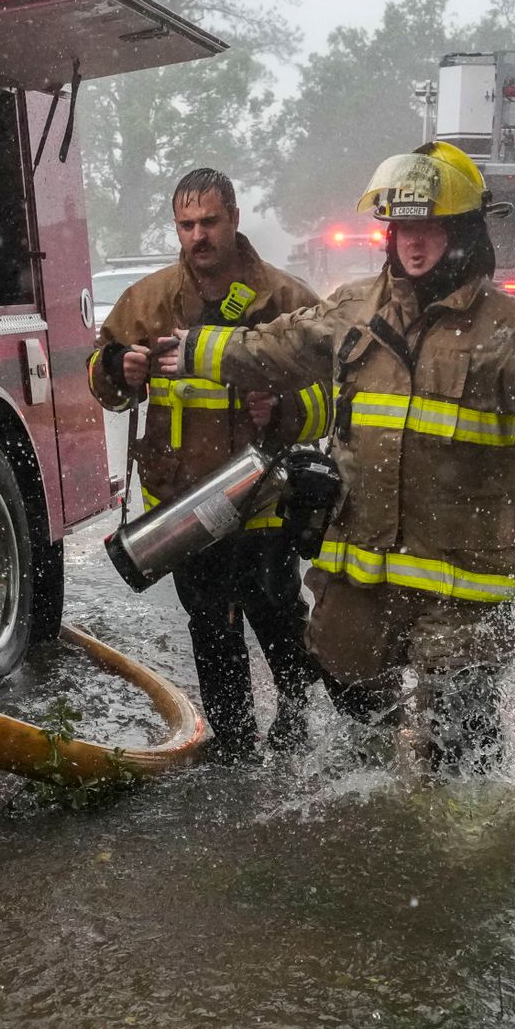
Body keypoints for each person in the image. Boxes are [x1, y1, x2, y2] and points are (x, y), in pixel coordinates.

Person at [141, 142, 515, 770]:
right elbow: (281, 346)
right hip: (363, 578)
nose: (413, 245)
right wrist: (199, 350)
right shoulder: (357, 310)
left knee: (457, 751)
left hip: (459, 582)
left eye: (430, 230)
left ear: (464, 231)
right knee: (359, 723)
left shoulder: (513, 336)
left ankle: (463, 834)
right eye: (402, 229)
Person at [90, 169, 330, 756]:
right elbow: (103, 383)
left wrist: (284, 405)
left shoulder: (286, 301)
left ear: (235, 218)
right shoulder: (146, 303)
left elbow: (336, 398)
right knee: (210, 623)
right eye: (186, 224)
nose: (198, 235)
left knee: (274, 611)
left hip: (264, 497)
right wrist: (118, 369)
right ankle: (235, 744)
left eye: (209, 222)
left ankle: (297, 721)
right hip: (184, 505)